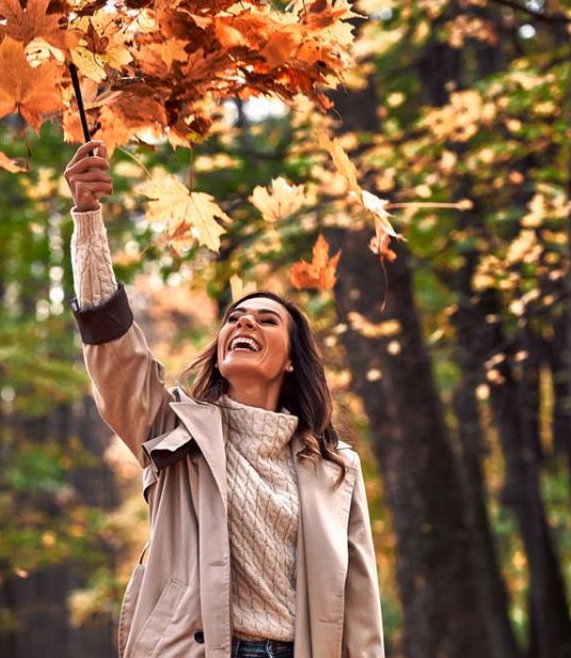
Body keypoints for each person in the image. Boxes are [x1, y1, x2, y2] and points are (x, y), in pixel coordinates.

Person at [64, 140, 385, 658]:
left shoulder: (335, 468)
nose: (244, 323)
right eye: (234, 318)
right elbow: (115, 351)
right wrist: (87, 218)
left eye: (266, 319)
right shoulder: (173, 431)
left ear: (291, 360)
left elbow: (359, 607)